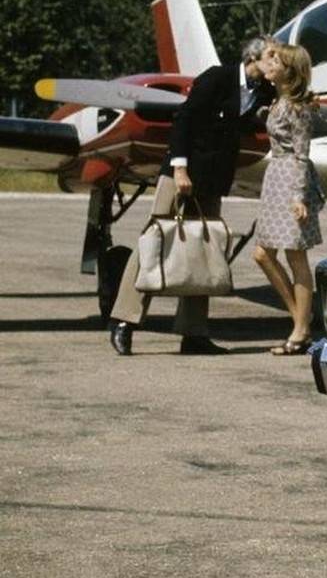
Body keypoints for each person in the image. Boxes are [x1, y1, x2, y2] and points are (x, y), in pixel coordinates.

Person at [110, 36, 269, 356]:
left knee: (204, 250)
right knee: (155, 240)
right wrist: (180, 170)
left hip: (213, 179)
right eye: (272, 58)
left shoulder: (264, 89)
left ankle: (194, 333)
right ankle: (125, 321)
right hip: (182, 172)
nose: (276, 64)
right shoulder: (216, 77)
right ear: (253, 59)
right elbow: (184, 121)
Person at [252, 40, 325, 354]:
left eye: (277, 61)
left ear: (290, 71)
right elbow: (264, 63)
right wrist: (271, 51)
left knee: (296, 256)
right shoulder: (279, 100)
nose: (269, 64)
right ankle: (302, 322)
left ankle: (299, 329)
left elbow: (301, 154)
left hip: (292, 180)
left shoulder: (298, 108)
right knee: (262, 254)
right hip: (275, 180)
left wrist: (298, 197)